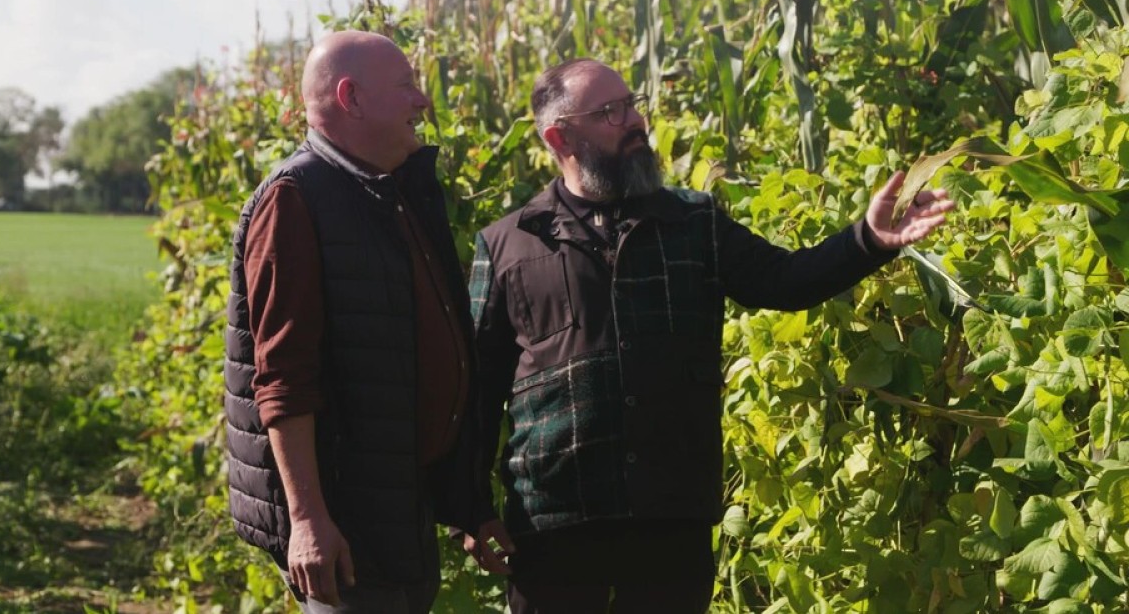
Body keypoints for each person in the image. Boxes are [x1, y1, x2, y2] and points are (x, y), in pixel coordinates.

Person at [457, 58, 955, 613]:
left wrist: (869, 240)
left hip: (669, 510)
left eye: (631, 103)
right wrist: (471, 506)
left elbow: (785, 281)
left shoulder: (693, 222)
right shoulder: (508, 245)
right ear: (560, 136)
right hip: (555, 520)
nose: (634, 120)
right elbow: (476, 385)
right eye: (610, 112)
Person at [223, 30, 477, 613]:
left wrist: (464, 500)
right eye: (407, 86)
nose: (423, 101)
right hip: (348, 524)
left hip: (398, 509)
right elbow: (283, 376)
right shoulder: (296, 198)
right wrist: (309, 519)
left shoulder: (390, 190)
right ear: (351, 97)